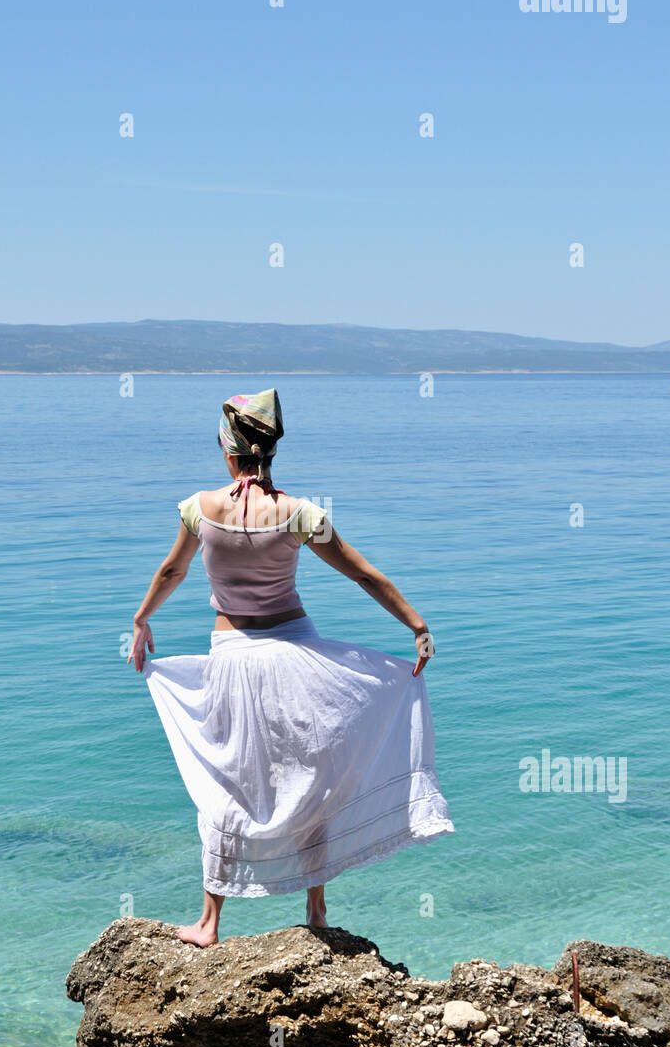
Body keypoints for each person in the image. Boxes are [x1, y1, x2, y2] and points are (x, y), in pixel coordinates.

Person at [129, 388, 454, 945]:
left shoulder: (199, 509)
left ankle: (209, 923)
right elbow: (364, 574)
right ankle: (317, 913)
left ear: (229, 454)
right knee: (313, 777)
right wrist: (416, 626)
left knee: (226, 781)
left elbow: (170, 573)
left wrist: (140, 621)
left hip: (232, 658)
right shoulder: (299, 514)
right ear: (271, 453)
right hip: (299, 656)